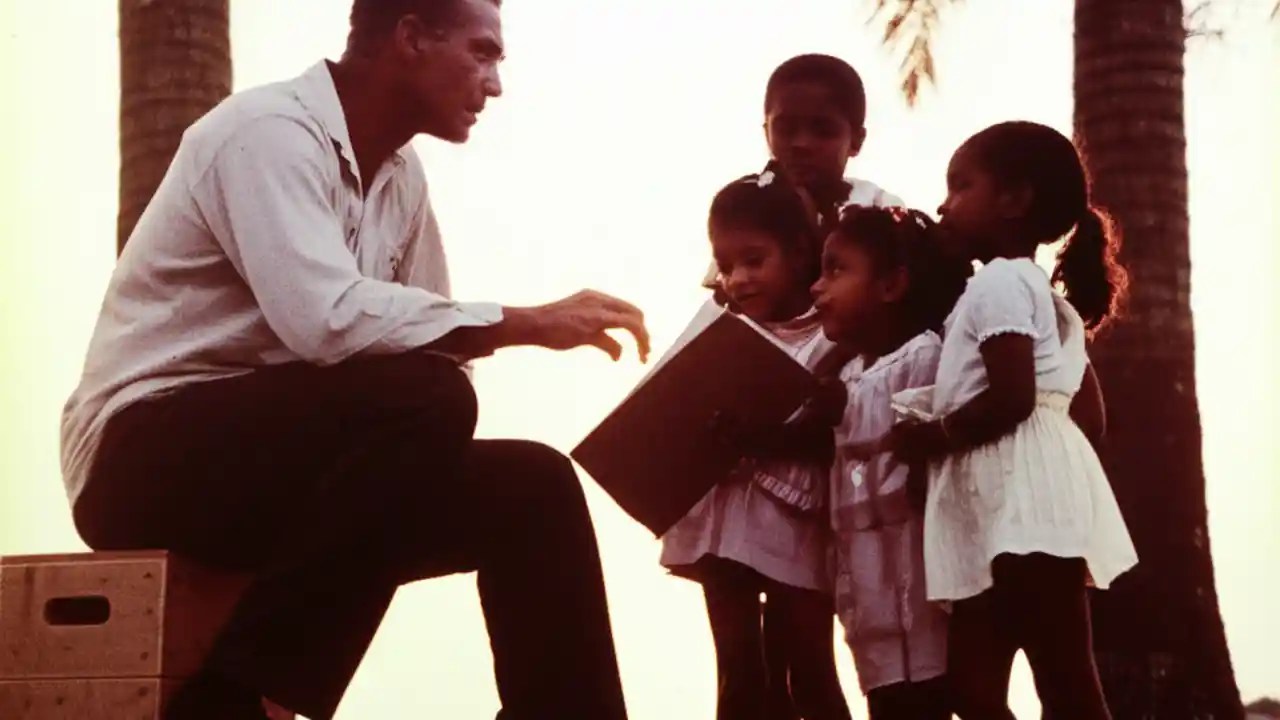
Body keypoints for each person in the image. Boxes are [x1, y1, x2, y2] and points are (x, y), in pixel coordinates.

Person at [60, 2, 648, 719]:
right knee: (426, 396)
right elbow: (326, 322)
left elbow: (430, 347)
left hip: (298, 474)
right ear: (410, 36)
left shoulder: (403, 178)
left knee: (534, 486)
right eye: (482, 53)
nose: (494, 84)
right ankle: (239, 701)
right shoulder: (267, 133)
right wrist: (528, 323)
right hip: (144, 460)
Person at [889, 121, 1138, 719]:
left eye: (960, 186)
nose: (944, 204)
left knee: (1051, 681)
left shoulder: (999, 280)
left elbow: (1012, 397)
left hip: (1016, 510)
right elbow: (1090, 417)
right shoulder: (1043, 295)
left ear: (1013, 200)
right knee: (1012, 683)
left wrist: (937, 436)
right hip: (1026, 505)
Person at [659, 165, 853, 720]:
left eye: (753, 260)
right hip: (721, 521)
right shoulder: (716, 331)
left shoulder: (831, 337)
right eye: (725, 265)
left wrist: (766, 435)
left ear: (797, 255)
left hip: (796, 520)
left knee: (809, 670)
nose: (738, 278)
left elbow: (833, 433)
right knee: (738, 673)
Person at [811, 205, 971, 720]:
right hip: (870, 605)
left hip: (926, 599)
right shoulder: (849, 376)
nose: (817, 288)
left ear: (890, 285)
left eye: (836, 270)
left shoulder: (925, 359)